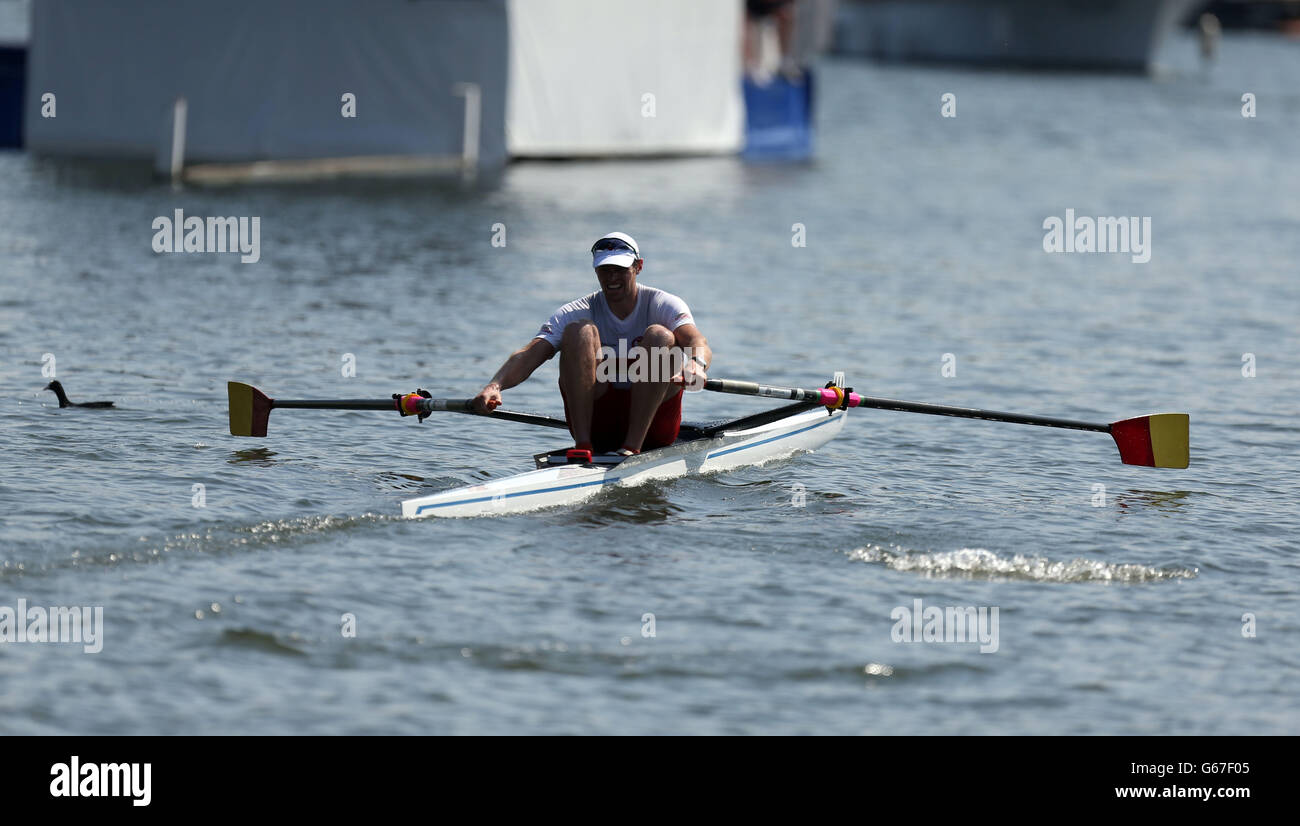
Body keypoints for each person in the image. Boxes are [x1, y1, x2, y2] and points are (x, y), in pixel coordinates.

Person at [472, 232, 711, 460]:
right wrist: (495, 385)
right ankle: (583, 446)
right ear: (596, 269)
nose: (612, 277)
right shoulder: (575, 310)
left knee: (660, 335)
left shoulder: (663, 304)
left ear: (638, 266)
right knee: (580, 331)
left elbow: (697, 341)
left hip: (655, 427)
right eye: (605, 270)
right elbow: (530, 353)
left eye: (619, 269)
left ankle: (632, 448)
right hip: (600, 424)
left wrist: (696, 364)